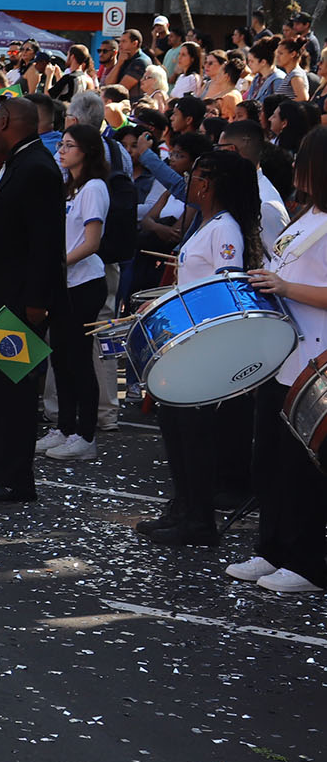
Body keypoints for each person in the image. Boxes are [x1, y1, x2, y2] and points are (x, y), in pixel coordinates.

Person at [138, 149, 267, 546]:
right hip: (186, 344)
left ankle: (198, 520)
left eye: (192, 176)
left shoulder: (223, 228)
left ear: (206, 184)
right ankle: (184, 507)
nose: (186, 182)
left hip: (200, 347)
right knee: (176, 429)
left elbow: (223, 287)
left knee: (193, 435)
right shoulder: (207, 224)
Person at [0, 98, 65, 500]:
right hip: (3, 295)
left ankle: (15, 479)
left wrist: (36, 301)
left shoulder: (37, 167)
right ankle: (0, 471)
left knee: (17, 392)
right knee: (3, 390)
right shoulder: (20, 161)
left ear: (5, 121)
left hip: (21, 302)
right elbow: (7, 218)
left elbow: (45, 242)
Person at [242, 127, 327, 593]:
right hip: (282, 354)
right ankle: (271, 548)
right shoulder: (307, 214)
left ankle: (307, 562)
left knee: (303, 468)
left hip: (315, 362)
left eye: (302, 161)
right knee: (270, 460)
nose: (294, 169)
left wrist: (285, 287)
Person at [35, 125, 112, 463]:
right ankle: (64, 427)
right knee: (60, 358)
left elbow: (92, 243)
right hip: (65, 283)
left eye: (69, 146)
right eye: (61, 145)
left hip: (84, 284)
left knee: (79, 360)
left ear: (88, 151)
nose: (62, 151)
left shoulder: (94, 188)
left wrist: (57, 264)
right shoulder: (71, 188)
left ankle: (86, 435)